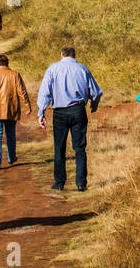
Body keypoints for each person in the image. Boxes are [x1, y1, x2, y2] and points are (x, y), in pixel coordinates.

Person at [36, 46, 103, 191]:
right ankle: (81, 183)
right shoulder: (82, 69)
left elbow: (45, 92)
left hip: (59, 112)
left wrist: (41, 112)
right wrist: (94, 105)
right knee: (79, 148)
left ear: (61, 55)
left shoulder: (53, 69)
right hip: (78, 110)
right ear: (74, 55)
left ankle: (59, 183)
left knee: (59, 148)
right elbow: (96, 91)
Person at [0, 55, 32, 170]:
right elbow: (22, 92)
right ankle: (12, 157)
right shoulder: (15, 75)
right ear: (7, 63)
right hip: (11, 109)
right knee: (11, 134)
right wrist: (27, 106)